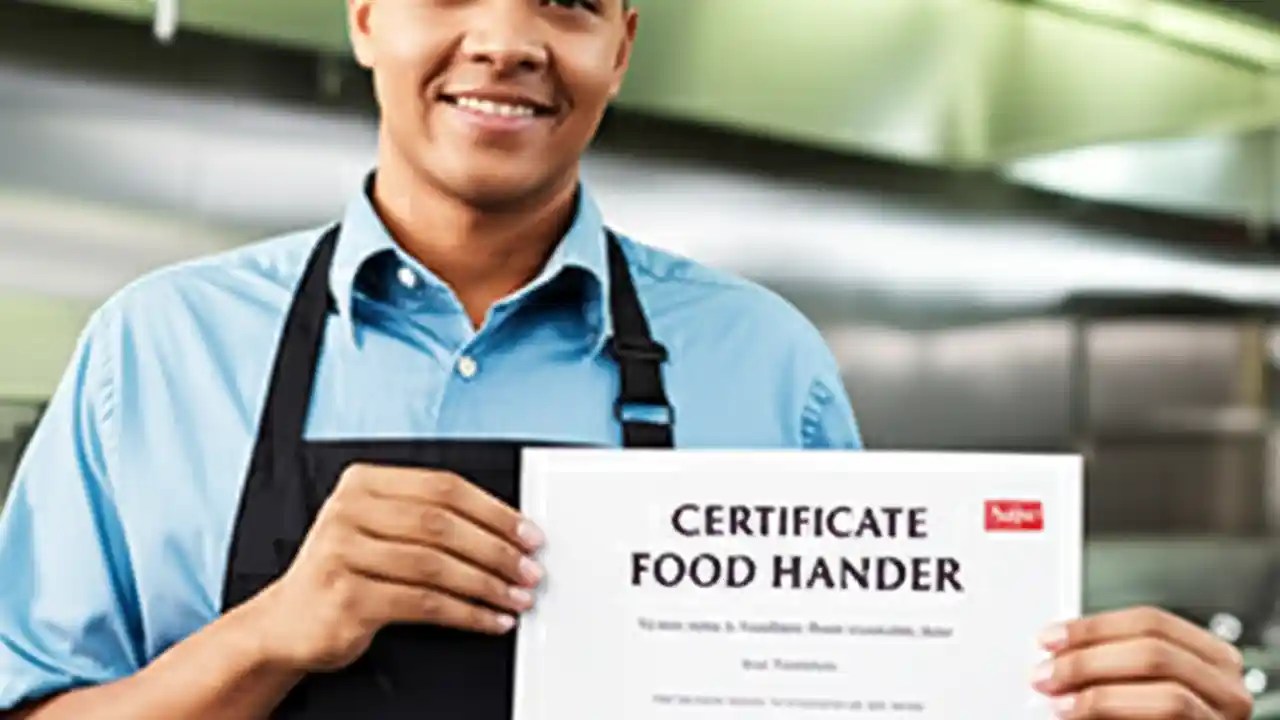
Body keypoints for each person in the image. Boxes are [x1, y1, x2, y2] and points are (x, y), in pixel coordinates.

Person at [0, 0, 1252, 718]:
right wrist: (270, 635)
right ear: (368, 16)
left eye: (566, 0)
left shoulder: (765, 362)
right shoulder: (158, 347)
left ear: (622, 45)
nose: (505, 41)